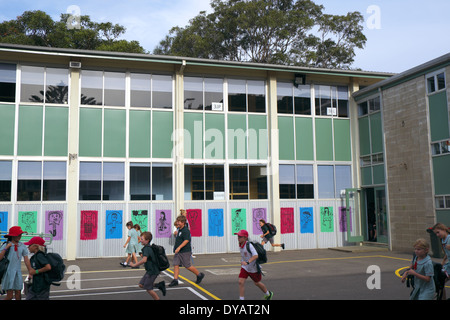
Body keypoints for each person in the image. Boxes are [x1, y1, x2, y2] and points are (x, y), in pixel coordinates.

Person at [235, 229, 273, 300]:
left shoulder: (249, 245)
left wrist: (248, 262)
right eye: (238, 236)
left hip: (253, 268)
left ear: (245, 238)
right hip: (245, 268)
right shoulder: (240, 245)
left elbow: (256, 255)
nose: (238, 238)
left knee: (257, 283)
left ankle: (268, 294)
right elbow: (244, 255)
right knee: (241, 282)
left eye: (240, 237)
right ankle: (241, 299)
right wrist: (243, 262)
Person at [169, 215, 204, 287]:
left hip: (185, 251)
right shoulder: (179, 230)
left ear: (183, 222)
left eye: (179, 222)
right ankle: (175, 280)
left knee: (187, 266)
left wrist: (179, 247)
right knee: (176, 264)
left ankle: (199, 275)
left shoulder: (186, 231)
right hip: (178, 252)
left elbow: (186, 240)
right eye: (177, 221)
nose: (177, 223)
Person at [129, 232, 166, 300]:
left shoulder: (147, 248)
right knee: (141, 285)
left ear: (147, 240)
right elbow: (148, 257)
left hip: (152, 272)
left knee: (148, 289)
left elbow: (144, 260)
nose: (140, 240)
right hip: (150, 270)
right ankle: (159, 285)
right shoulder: (148, 247)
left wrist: (134, 265)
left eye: (142, 239)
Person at [0, 226, 32, 300]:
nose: (19, 236)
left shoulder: (22, 246)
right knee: (10, 296)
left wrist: (30, 271)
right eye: (17, 235)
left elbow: (26, 260)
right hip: (8, 272)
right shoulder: (6, 244)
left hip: (17, 272)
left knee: (18, 293)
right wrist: (6, 247)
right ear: (12, 236)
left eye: (20, 235)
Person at [432, 222, 450, 298]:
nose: (437, 235)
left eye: (438, 232)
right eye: (436, 233)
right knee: (440, 282)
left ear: (443, 229)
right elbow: (447, 252)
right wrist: (443, 261)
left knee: (441, 281)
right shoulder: (443, 240)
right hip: (448, 265)